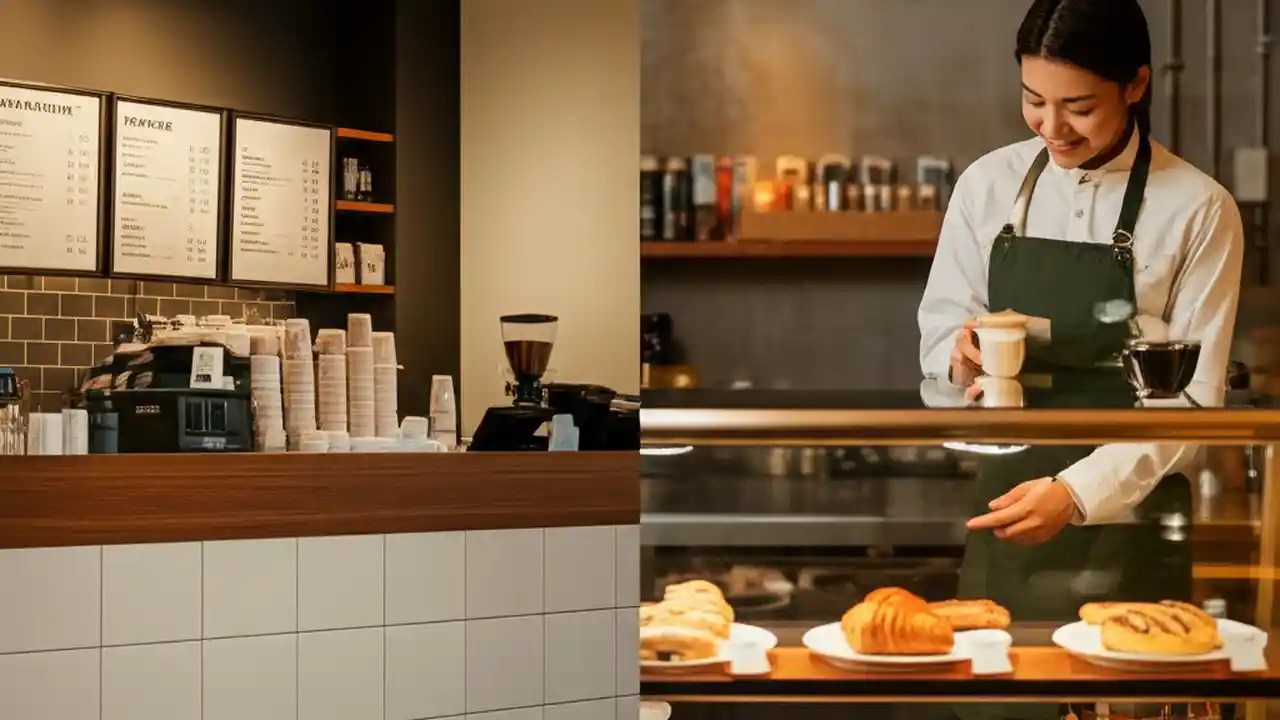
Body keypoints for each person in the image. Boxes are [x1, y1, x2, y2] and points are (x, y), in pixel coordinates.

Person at [917, 0, 1243, 716]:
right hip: (1005, 515)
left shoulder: (1200, 209)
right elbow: (937, 353)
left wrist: (1075, 494)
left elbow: (1193, 404)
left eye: (1079, 107)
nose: (1052, 128)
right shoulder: (985, 187)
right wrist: (961, 359)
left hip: (1133, 529)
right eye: (1034, 101)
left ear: (1136, 85)